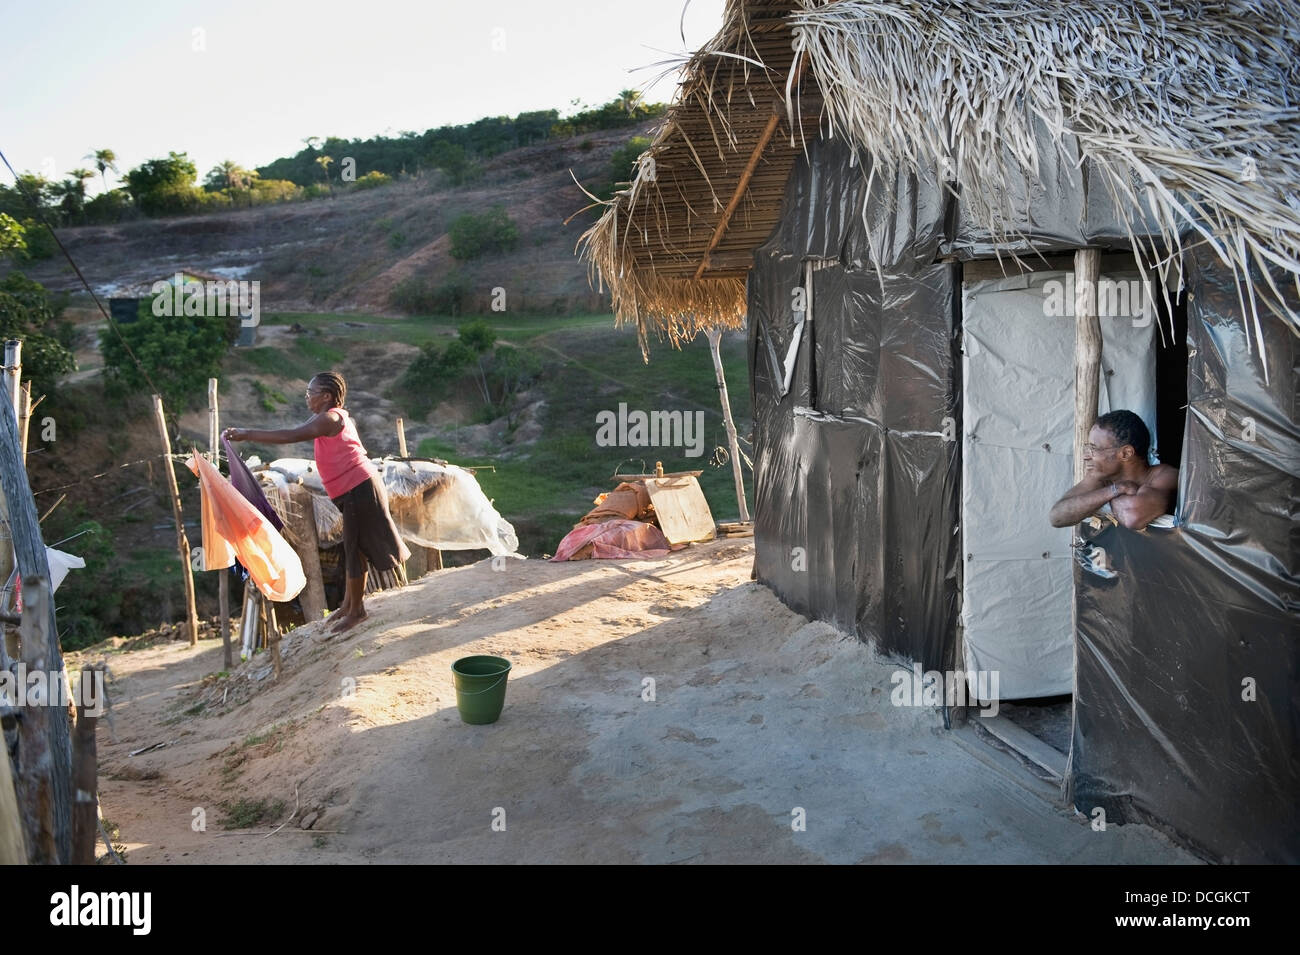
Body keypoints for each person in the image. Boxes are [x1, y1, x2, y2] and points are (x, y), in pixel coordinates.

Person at [224, 372, 410, 633]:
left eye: (310, 392)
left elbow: (291, 435)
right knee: (352, 549)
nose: (306, 397)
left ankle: (356, 611)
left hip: (359, 488)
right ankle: (348, 605)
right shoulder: (326, 417)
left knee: (354, 547)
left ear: (326, 397)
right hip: (353, 490)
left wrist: (247, 433)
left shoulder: (330, 418)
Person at [1049, 410, 1177, 531]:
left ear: (1126, 453)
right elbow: (1057, 517)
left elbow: (1131, 517)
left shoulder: (1166, 475)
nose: (1086, 456)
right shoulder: (1102, 477)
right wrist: (1117, 489)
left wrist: (1108, 493)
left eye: (1094, 448)